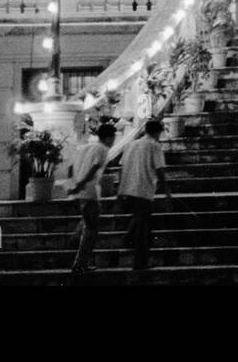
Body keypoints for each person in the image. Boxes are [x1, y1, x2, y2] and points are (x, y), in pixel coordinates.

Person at [117, 118, 172, 275]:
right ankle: (140, 263)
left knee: (139, 220)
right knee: (143, 230)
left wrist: (120, 193)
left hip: (128, 189)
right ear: (157, 132)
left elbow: (121, 167)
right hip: (143, 191)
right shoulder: (154, 146)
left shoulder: (131, 145)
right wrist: (167, 193)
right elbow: (160, 170)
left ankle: (127, 239)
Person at [67, 122, 116, 274]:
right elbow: (94, 168)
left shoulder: (85, 147)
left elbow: (70, 168)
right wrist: (81, 184)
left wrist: (74, 184)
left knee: (87, 225)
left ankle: (76, 251)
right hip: (89, 193)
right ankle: (79, 263)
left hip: (81, 193)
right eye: (113, 137)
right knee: (91, 230)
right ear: (108, 138)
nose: (113, 140)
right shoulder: (102, 149)